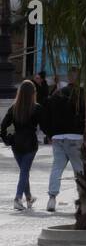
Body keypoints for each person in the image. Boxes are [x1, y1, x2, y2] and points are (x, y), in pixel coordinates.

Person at [39, 66, 85, 212]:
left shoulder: (57, 95)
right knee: (79, 169)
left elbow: (45, 115)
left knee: (57, 168)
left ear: (69, 78)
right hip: (75, 136)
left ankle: (52, 199)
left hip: (58, 137)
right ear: (80, 79)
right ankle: (82, 200)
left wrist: (50, 133)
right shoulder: (82, 95)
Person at [1, 79, 43, 210]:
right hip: (30, 143)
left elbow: (2, 126)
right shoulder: (36, 108)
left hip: (16, 143)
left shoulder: (14, 108)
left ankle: (29, 198)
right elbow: (45, 125)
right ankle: (18, 198)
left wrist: (7, 139)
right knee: (24, 171)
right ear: (32, 93)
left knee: (24, 171)